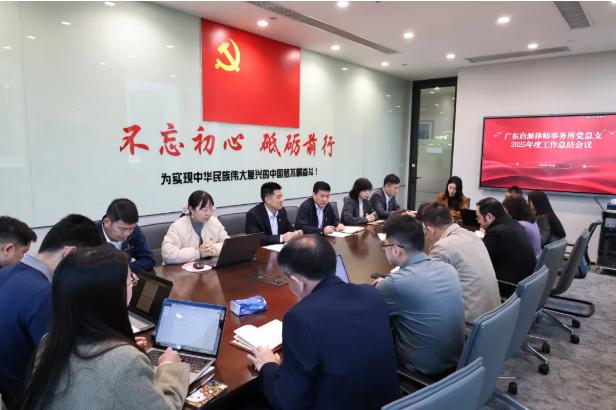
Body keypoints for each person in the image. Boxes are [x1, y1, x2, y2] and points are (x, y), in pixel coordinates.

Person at [16, 246, 190, 410]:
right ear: (111, 293)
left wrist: (123, 348)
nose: (133, 284)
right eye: (131, 280)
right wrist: (168, 366)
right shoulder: (126, 361)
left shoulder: (49, 341)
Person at [247, 235, 399, 409]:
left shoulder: (300, 317)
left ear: (297, 281)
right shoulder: (371, 293)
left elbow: (287, 401)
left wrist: (268, 365)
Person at [0, 214, 101, 406]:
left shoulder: (4, 273)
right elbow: (64, 368)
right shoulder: (45, 295)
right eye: (87, 264)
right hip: (28, 399)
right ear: (70, 253)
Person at [374, 214, 464, 375]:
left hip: (422, 369)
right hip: (457, 362)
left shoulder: (395, 283)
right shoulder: (448, 269)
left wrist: (382, 286)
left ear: (396, 250)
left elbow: (369, 313)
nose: (384, 250)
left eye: (384, 246)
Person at [422, 203, 500, 322]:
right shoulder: (472, 235)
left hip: (470, 322)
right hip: (494, 316)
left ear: (430, 230)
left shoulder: (442, 247)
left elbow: (428, 288)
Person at [476, 198, 537, 295]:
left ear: (489, 216)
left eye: (478, 217)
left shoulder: (496, 233)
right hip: (525, 284)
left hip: (509, 287)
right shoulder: (515, 224)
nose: (478, 221)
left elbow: (479, 260)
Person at [162, 190, 229, 264]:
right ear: (191, 209)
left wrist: (213, 248)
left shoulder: (214, 222)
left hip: (208, 268)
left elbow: (229, 244)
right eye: (204, 210)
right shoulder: (177, 227)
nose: (209, 214)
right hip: (180, 270)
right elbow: (168, 254)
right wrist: (198, 253)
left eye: (211, 209)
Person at [96, 198, 156, 273]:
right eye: (122, 229)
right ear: (107, 222)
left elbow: (149, 259)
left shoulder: (135, 231)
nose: (127, 233)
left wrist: (125, 269)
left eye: (131, 228)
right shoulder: (89, 235)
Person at [503, 194, 542, 259]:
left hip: (529, 261)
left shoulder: (520, 225)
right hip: (537, 258)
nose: (505, 213)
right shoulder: (531, 221)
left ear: (512, 209)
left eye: (506, 210)